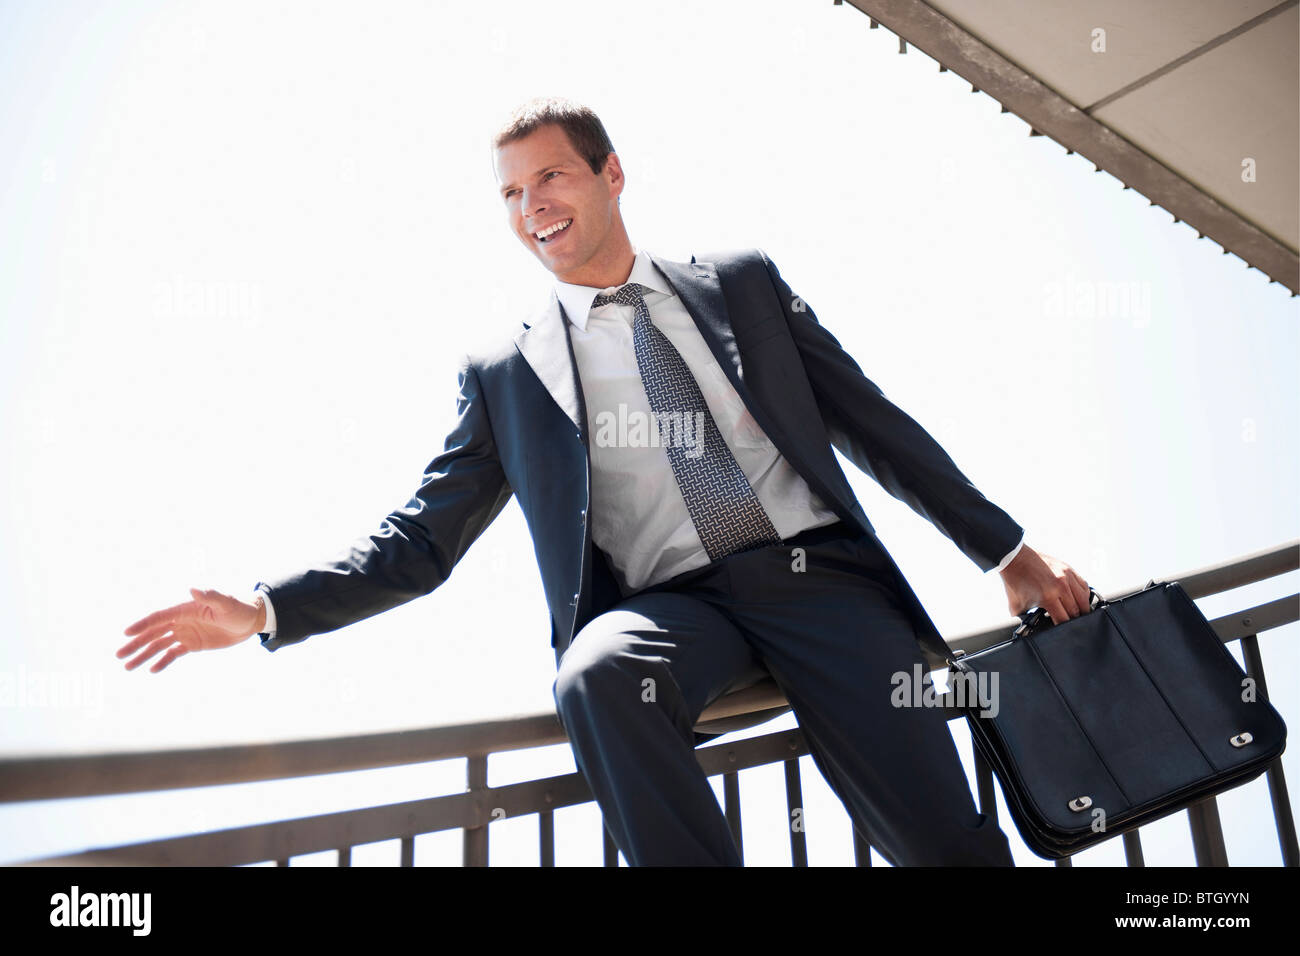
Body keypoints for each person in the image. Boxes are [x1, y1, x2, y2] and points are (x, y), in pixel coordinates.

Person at [119, 96, 1092, 866]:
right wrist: (264, 609)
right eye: (509, 192)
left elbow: (870, 417)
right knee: (596, 671)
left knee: (945, 842)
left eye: (549, 176)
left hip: (818, 582)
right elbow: (421, 539)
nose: (531, 204)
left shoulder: (741, 283)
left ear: (610, 173)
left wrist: (1005, 549)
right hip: (674, 609)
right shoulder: (507, 372)